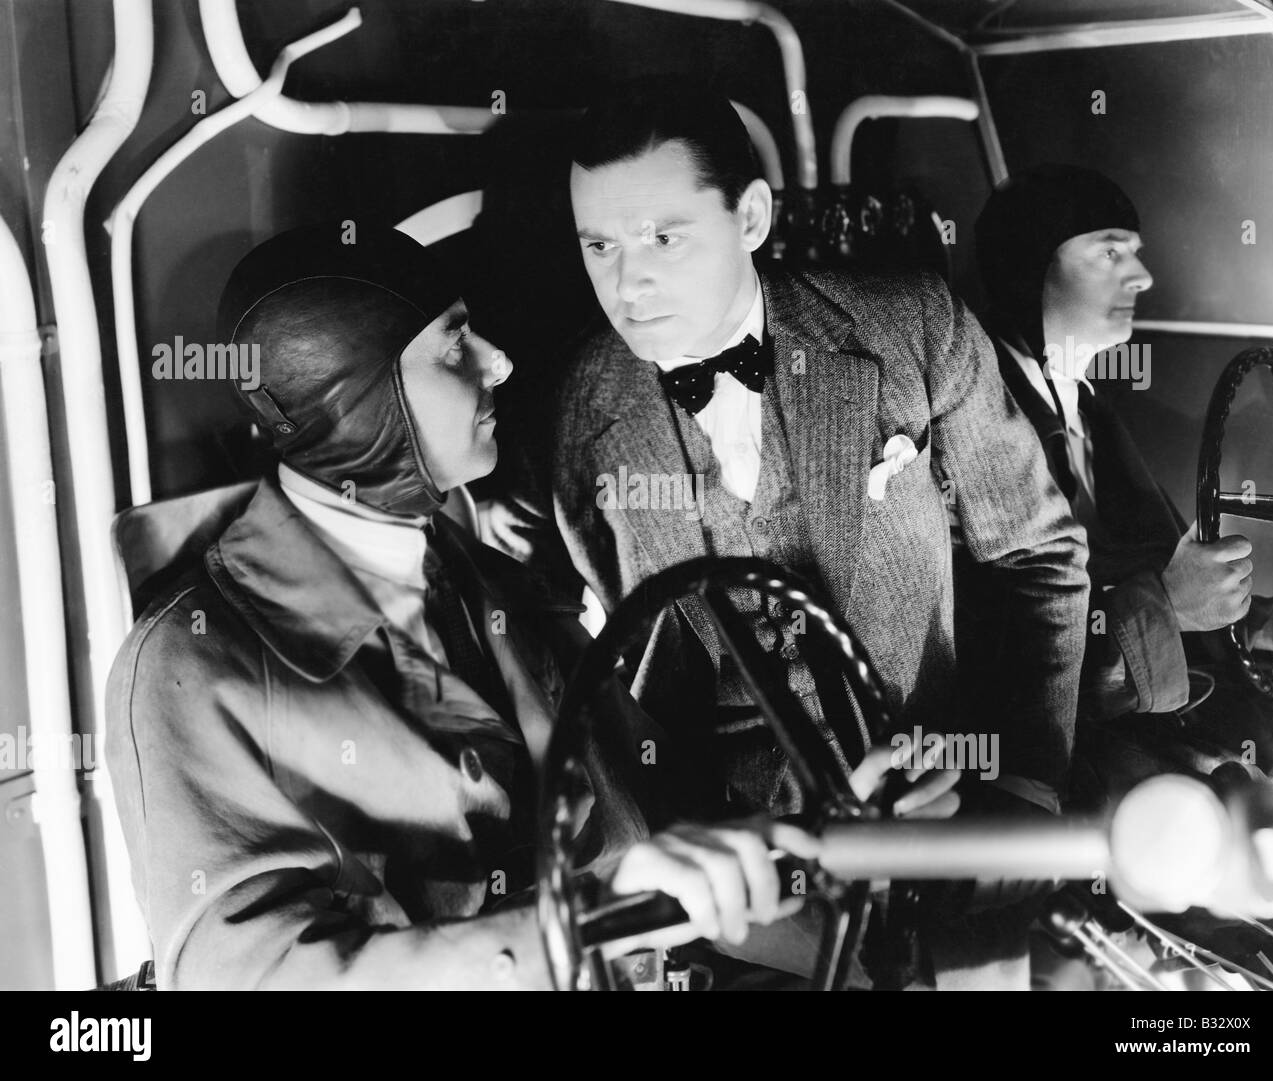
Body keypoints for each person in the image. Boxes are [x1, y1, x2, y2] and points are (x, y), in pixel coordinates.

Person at [105, 222, 838, 990]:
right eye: (455, 344)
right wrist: (577, 919)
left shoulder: (498, 587)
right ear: (352, 395)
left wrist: (834, 843)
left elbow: (663, 831)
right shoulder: (188, 662)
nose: (499, 361)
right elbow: (260, 977)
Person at [553, 85, 1090, 824]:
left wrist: (1025, 778)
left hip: (937, 800)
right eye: (600, 246)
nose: (627, 283)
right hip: (730, 855)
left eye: (663, 238)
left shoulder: (912, 326)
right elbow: (577, 659)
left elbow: (1040, 557)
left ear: (750, 217)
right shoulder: (577, 411)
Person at [972, 165, 1273, 804]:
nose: (1143, 276)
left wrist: (1264, 624)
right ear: (1031, 262)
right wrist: (1171, 608)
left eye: (1136, 252)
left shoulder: (1087, 409)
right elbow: (1011, 677)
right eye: (1110, 251)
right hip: (1076, 784)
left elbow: (1145, 571)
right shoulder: (977, 422)